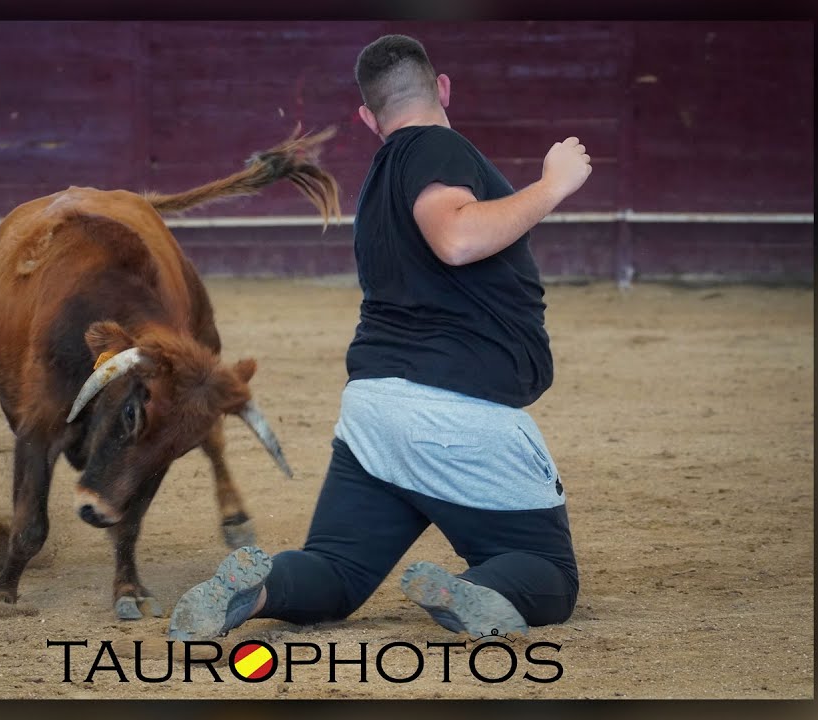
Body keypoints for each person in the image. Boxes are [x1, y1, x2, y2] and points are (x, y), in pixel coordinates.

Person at [168, 34, 592, 640]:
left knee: (336, 572)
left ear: (368, 117)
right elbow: (457, 238)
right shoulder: (436, 146)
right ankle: (474, 590)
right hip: (460, 412)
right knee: (549, 576)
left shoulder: (379, 182)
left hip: (376, 409)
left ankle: (256, 591)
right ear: (442, 87)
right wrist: (554, 184)